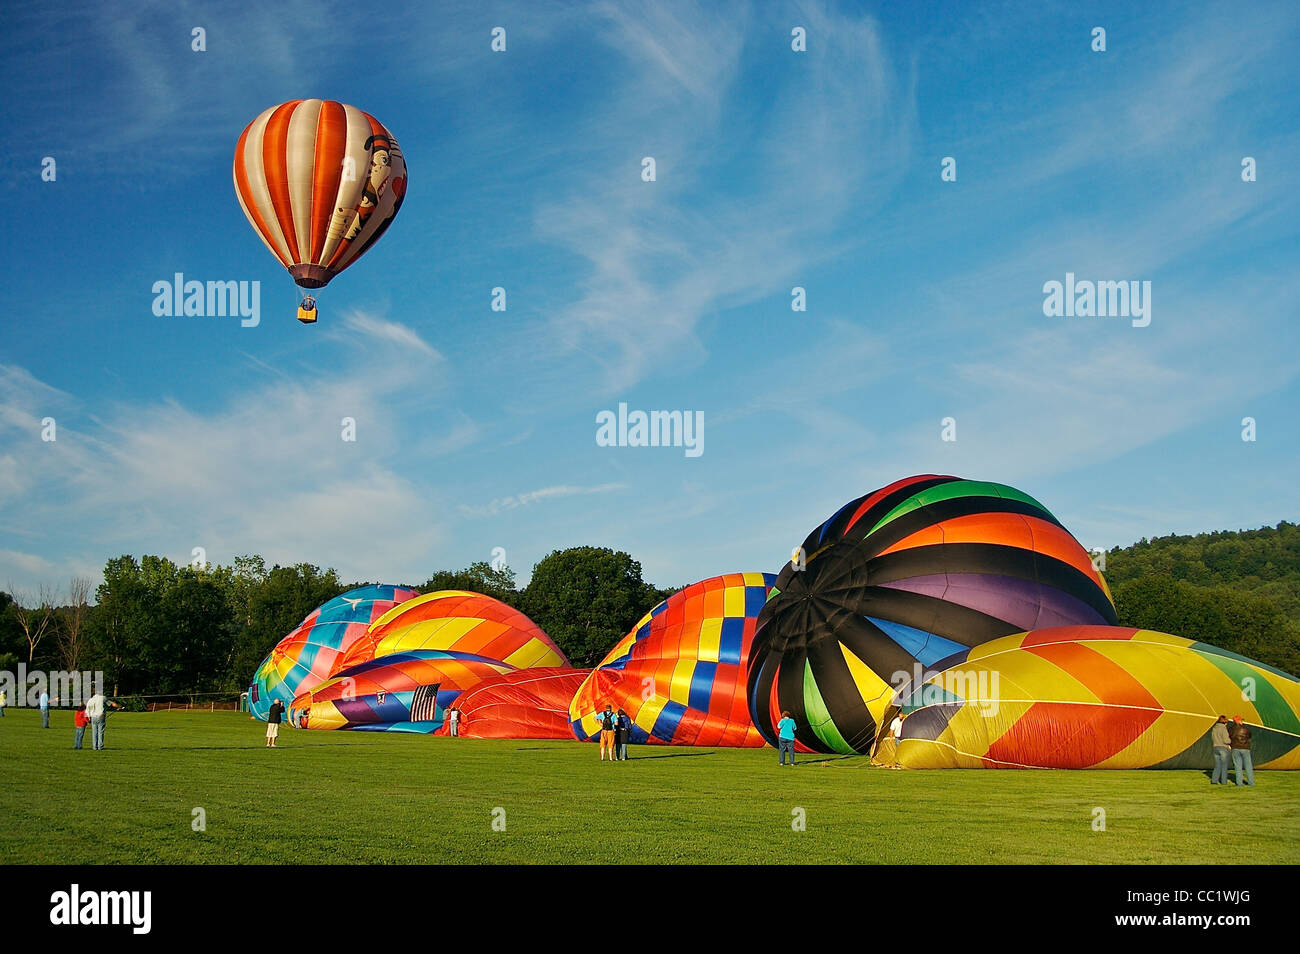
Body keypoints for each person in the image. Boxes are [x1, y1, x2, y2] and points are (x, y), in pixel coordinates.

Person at [1228, 716, 1255, 787]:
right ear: (1238, 721)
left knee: (1238, 766)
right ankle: (1251, 782)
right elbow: (1249, 735)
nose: (1242, 721)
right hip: (1245, 748)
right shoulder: (1245, 728)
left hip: (1235, 748)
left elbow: (1229, 737)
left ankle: (1239, 783)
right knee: (1248, 766)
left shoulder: (1230, 729)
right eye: (1241, 720)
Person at [1210, 715, 1231, 785]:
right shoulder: (1223, 729)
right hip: (1223, 748)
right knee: (1224, 766)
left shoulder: (1214, 728)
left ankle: (1214, 780)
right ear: (1225, 722)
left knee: (1217, 766)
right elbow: (1226, 740)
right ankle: (1224, 781)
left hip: (1216, 747)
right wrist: (1230, 741)